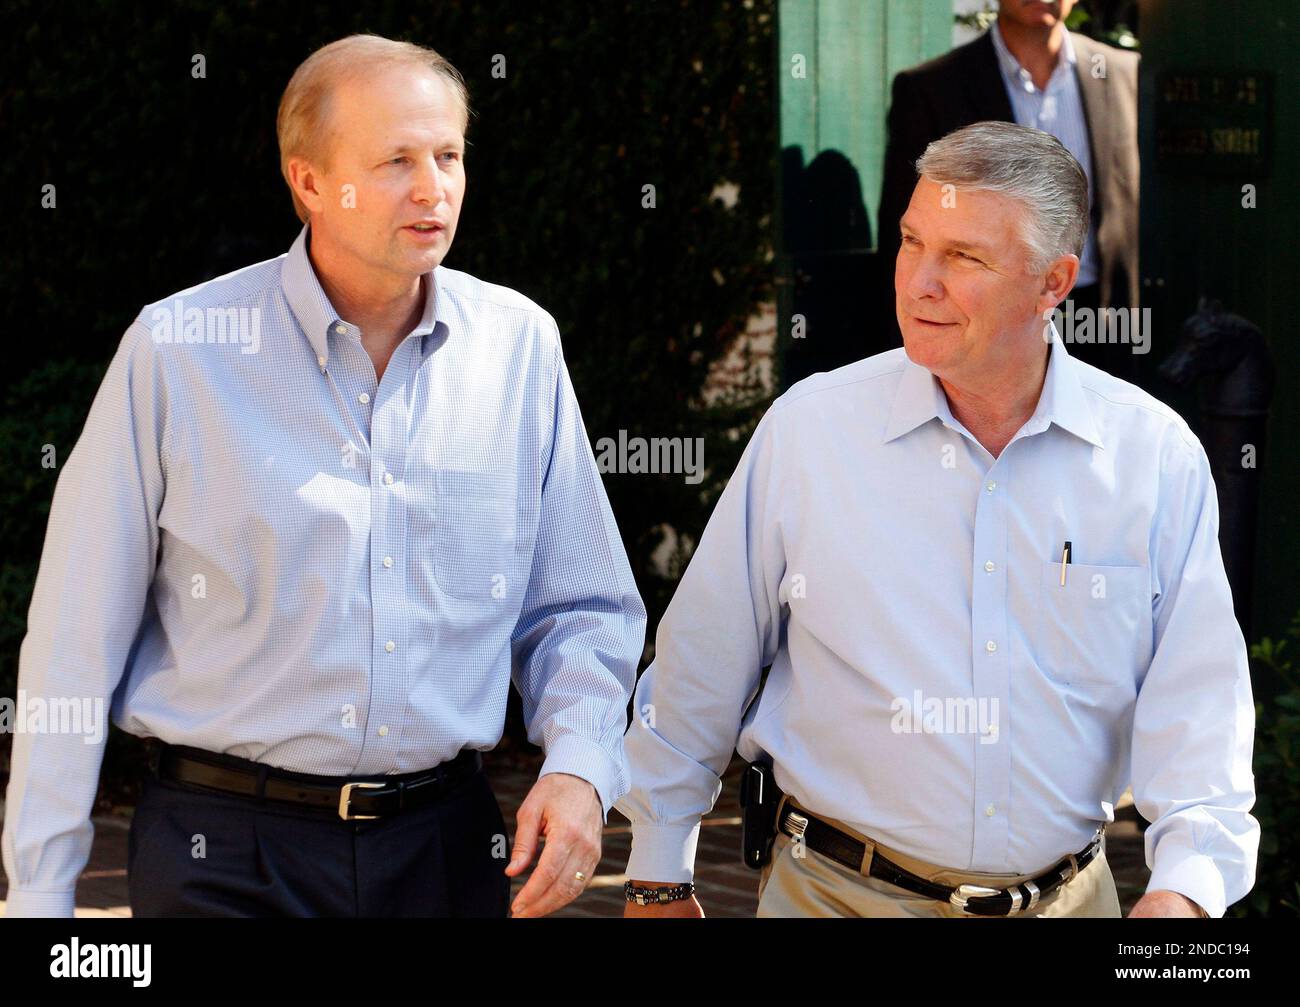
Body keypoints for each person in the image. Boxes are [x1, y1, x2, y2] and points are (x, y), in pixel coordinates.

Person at [2, 33, 646, 919]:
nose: (433, 187)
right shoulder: (178, 350)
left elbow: (579, 607)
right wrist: (39, 890)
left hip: (446, 848)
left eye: (449, 155)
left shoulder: (519, 346)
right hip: (222, 852)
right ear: (308, 182)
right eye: (395, 160)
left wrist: (580, 765)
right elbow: (75, 638)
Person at [618, 122, 1257, 918]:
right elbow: (700, 666)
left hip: (1070, 902)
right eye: (913, 242)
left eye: (964, 258)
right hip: (832, 897)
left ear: (1053, 282)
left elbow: (1199, 708)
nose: (920, 281)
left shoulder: (1153, 457)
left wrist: (1186, 894)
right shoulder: (810, 432)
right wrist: (655, 871)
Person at [878, 0, 1139, 379]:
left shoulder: (1122, 72)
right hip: (984, 319)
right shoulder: (931, 87)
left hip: (1100, 316)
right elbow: (905, 227)